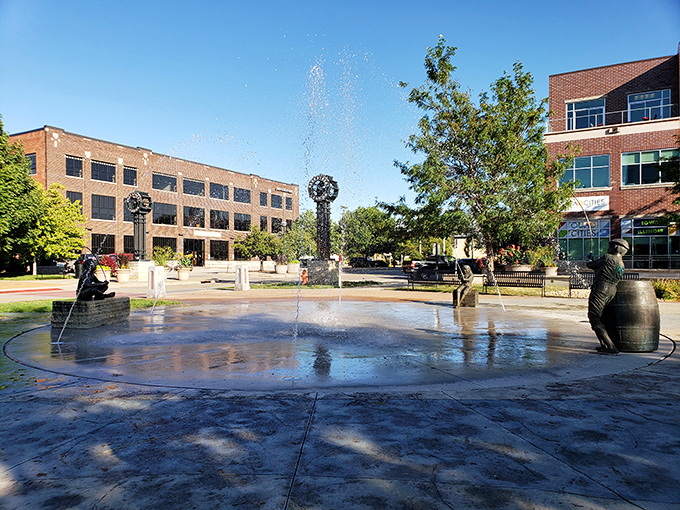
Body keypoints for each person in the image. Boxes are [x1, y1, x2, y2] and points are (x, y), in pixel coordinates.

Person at [586, 238, 629, 354]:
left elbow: (590, 265)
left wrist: (589, 259)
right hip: (612, 290)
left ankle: (610, 347)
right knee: (602, 317)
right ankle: (604, 344)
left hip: (601, 289)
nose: (608, 248)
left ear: (615, 247)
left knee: (594, 316)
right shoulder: (621, 263)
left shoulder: (607, 258)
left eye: (610, 246)